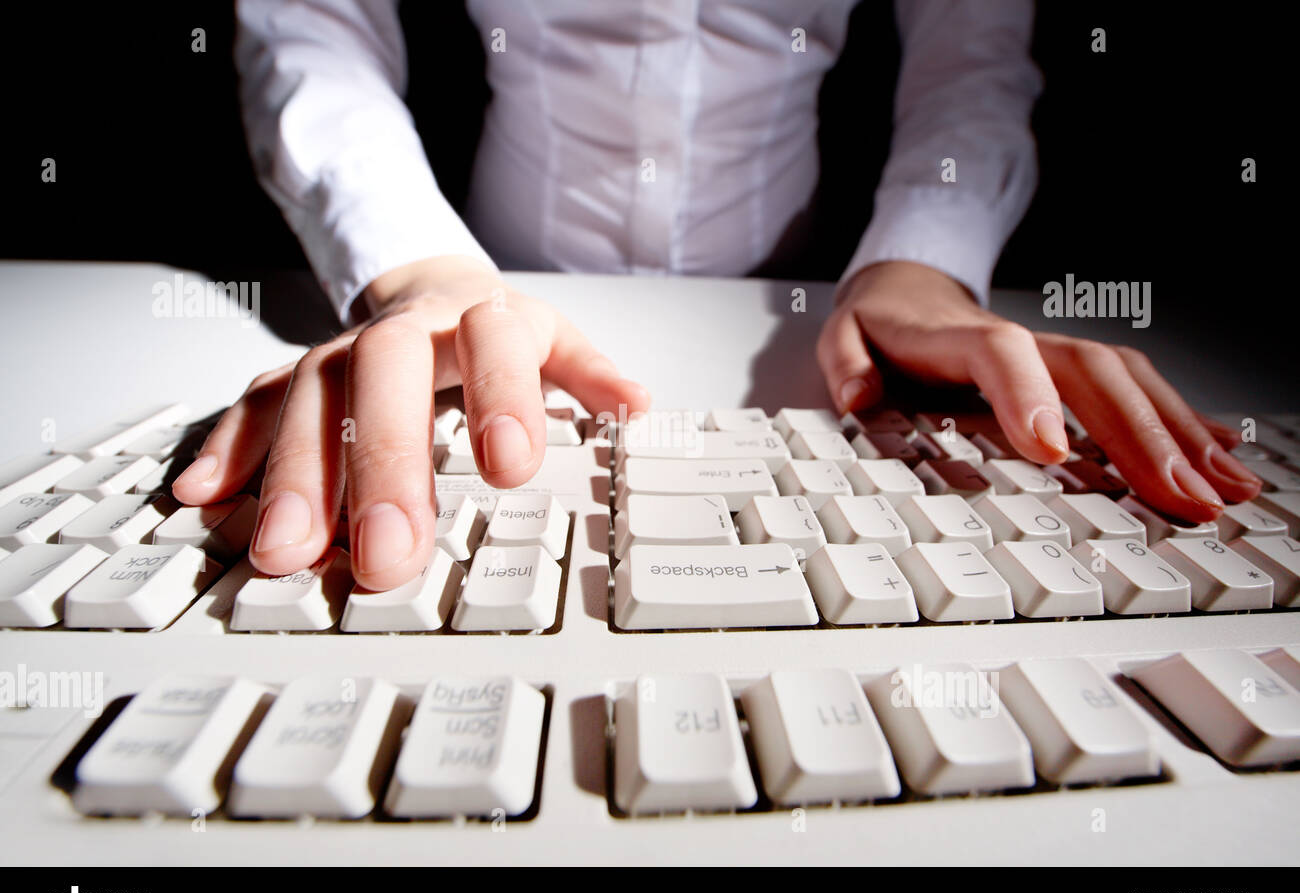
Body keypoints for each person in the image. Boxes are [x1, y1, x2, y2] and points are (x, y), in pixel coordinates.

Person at [173, 0, 1261, 592]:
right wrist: (417, 267)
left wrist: (923, 261)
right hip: (500, 277)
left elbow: (972, 56)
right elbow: (315, 21)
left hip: (791, 315)